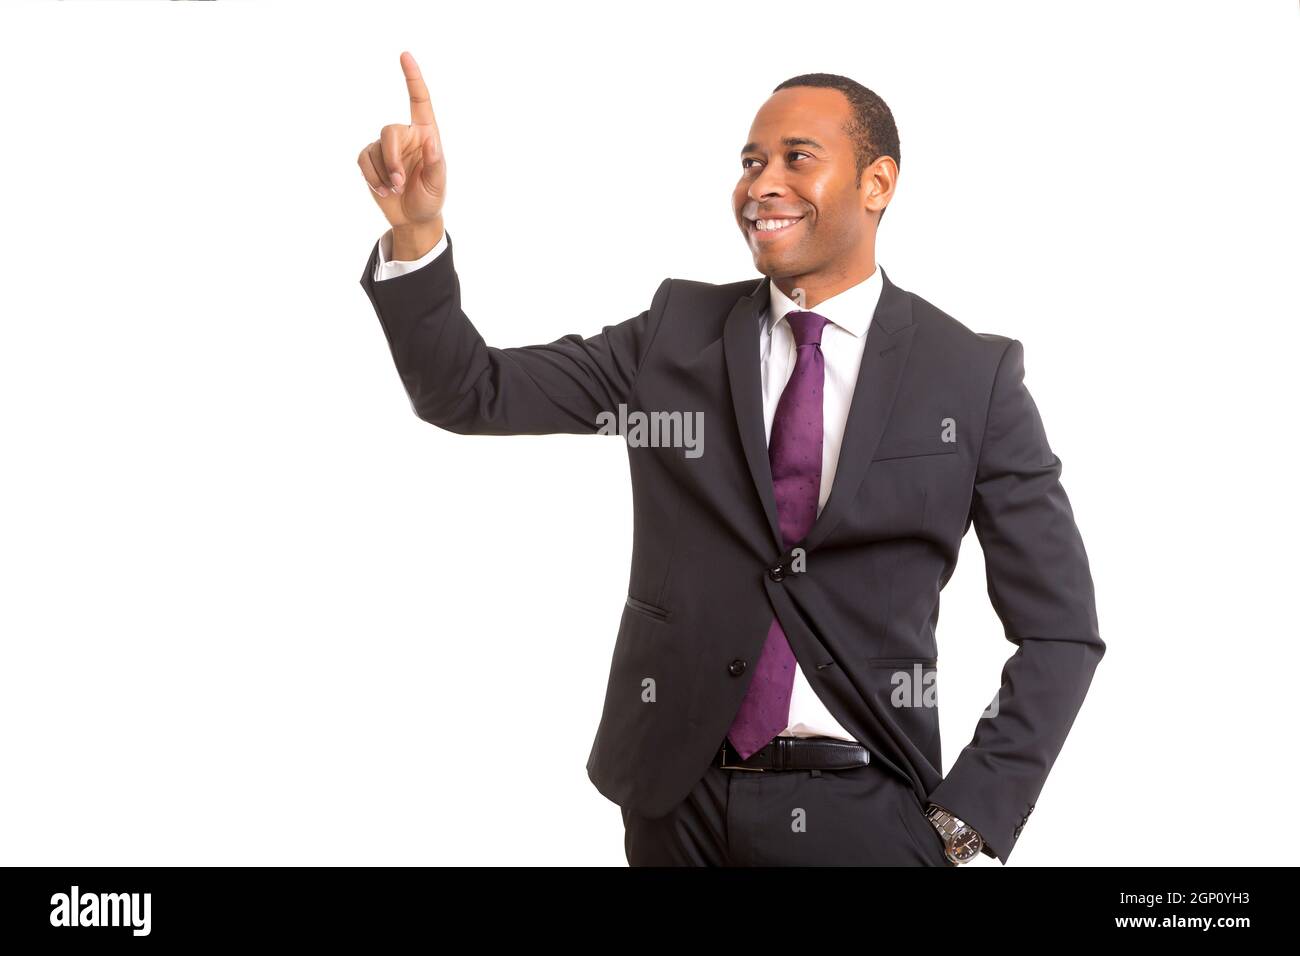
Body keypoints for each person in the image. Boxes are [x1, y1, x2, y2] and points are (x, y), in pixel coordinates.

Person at [355, 51, 1103, 866]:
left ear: (878, 183)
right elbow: (472, 392)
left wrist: (969, 820)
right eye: (751, 162)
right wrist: (417, 232)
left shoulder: (972, 376)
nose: (760, 184)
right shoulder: (676, 336)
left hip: (869, 813)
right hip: (680, 807)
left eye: (796, 159)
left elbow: (1059, 629)